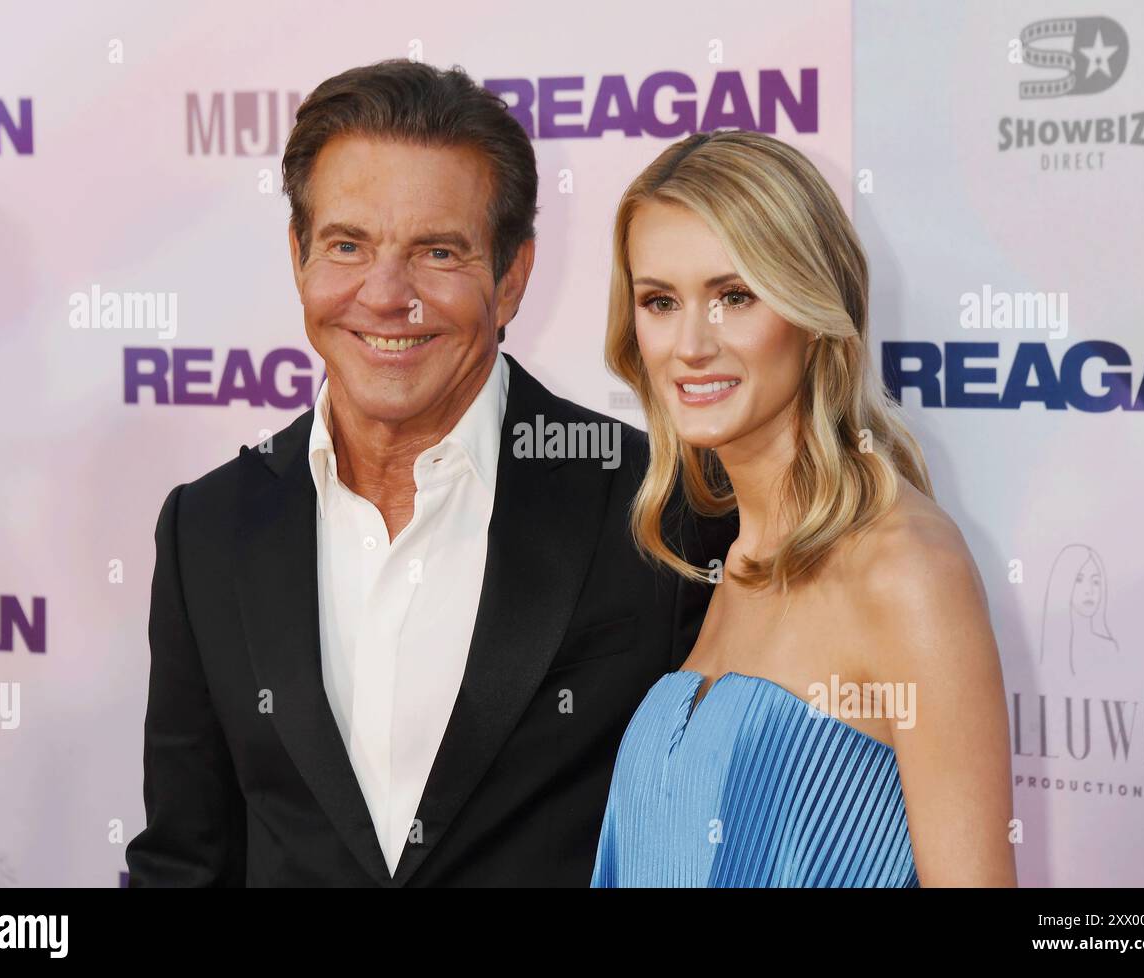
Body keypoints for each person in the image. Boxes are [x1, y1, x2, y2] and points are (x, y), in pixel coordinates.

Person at [125, 60, 732, 887]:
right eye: (347, 245)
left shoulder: (657, 505)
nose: (386, 296)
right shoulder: (208, 530)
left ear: (512, 277)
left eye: (437, 252)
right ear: (298, 257)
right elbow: (186, 865)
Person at [590, 130, 1017, 887]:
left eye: (734, 297)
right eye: (660, 301)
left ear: (813, 308)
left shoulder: (905, 569)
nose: (690, 344)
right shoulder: (733, 560)